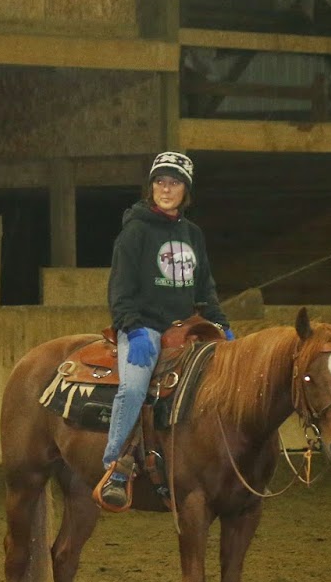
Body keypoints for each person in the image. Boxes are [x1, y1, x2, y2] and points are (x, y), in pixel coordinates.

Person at [95, 151, 231, 512]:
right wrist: (133, 329)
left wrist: (221, 325)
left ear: (185, 191)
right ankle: (117, 467)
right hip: (144, 329)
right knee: (135, 385)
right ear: (151, 186)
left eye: (174, 183)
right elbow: (120, 290)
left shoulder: (193, 235)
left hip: (186, 330)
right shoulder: (135, 231)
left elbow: (205, 289)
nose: (166, 188)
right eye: (160, 181)